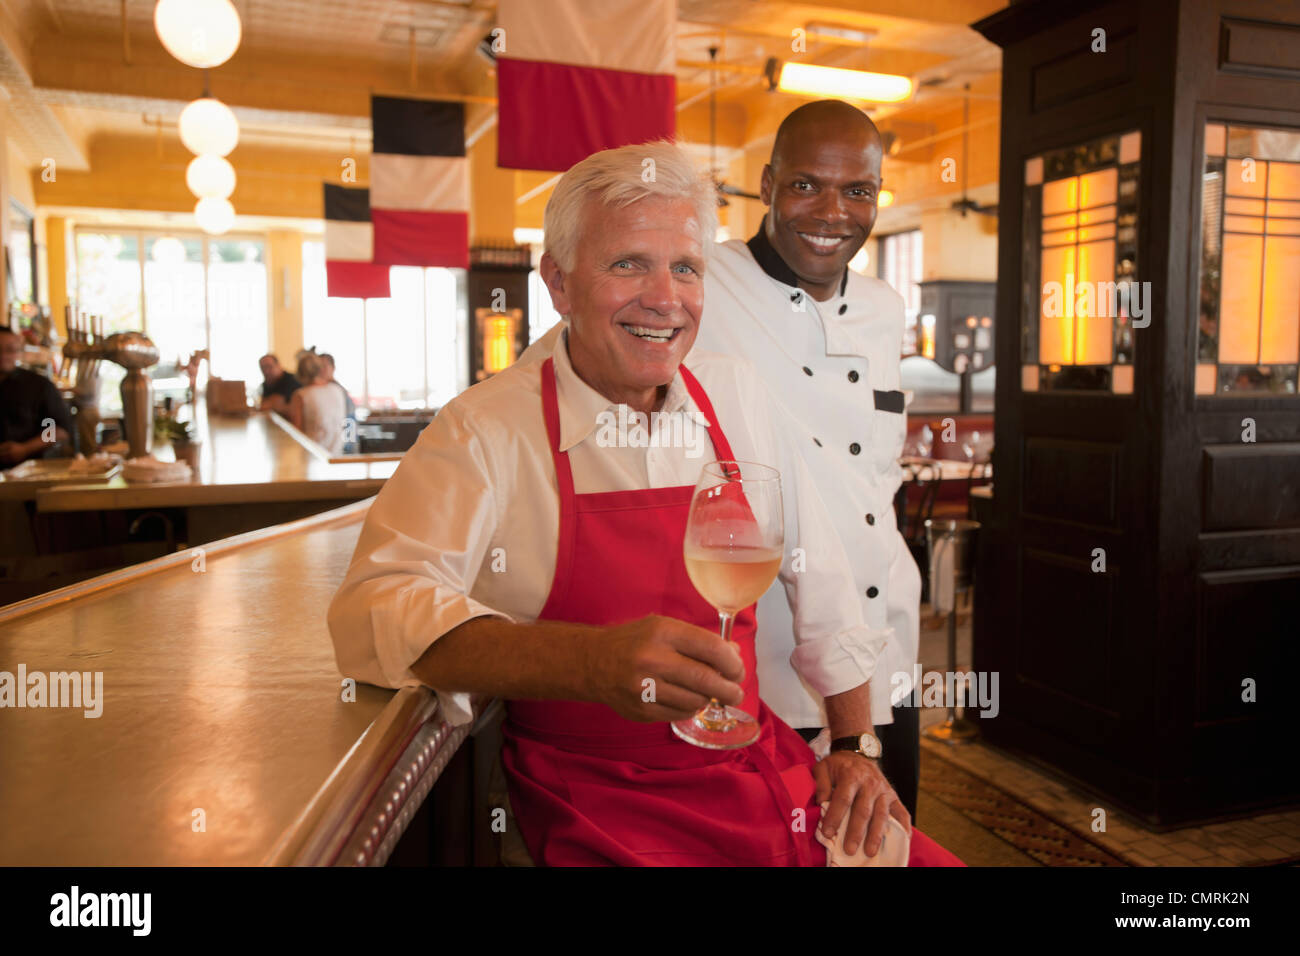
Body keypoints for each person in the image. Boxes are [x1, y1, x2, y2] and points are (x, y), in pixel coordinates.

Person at [328, 142, 961, 867]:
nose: (665, 299)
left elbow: (825, 585)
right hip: (596, 805)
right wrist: (587, 662)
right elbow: (374, 608)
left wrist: (852, 745)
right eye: (628, 263)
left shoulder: (737, 393)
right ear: (559, 283)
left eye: (685, 268)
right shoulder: (484, 429)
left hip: (759, 769)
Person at [522, 102, 925, 820]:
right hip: (757, 656)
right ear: (767, 185)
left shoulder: (886, 307)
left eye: (857, 191)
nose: (832, 212)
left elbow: (869, 478)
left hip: (881, 644)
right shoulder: (702, 281)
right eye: (806, 185)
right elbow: (575, 351)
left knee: (885, 838)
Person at [0, 325, 72, 467]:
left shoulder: (38, 386)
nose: (3, 356)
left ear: (19, 352)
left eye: (9, 350)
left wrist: (25, 449)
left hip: (30, 470)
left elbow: (58, 429)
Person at [288, 352, 346, 455]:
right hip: (337, 454)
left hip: (314, 455)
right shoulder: (337, 389)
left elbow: (297, 433)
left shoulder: (301, 395)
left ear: (299, 373)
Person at [318, 353, 357, 453]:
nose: (321, 370)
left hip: (341, 449)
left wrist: (347, 448)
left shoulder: (339, 391)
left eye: (324, 366)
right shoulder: (320, 390)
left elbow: (349, 421)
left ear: (333, 368)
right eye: (318, 366)